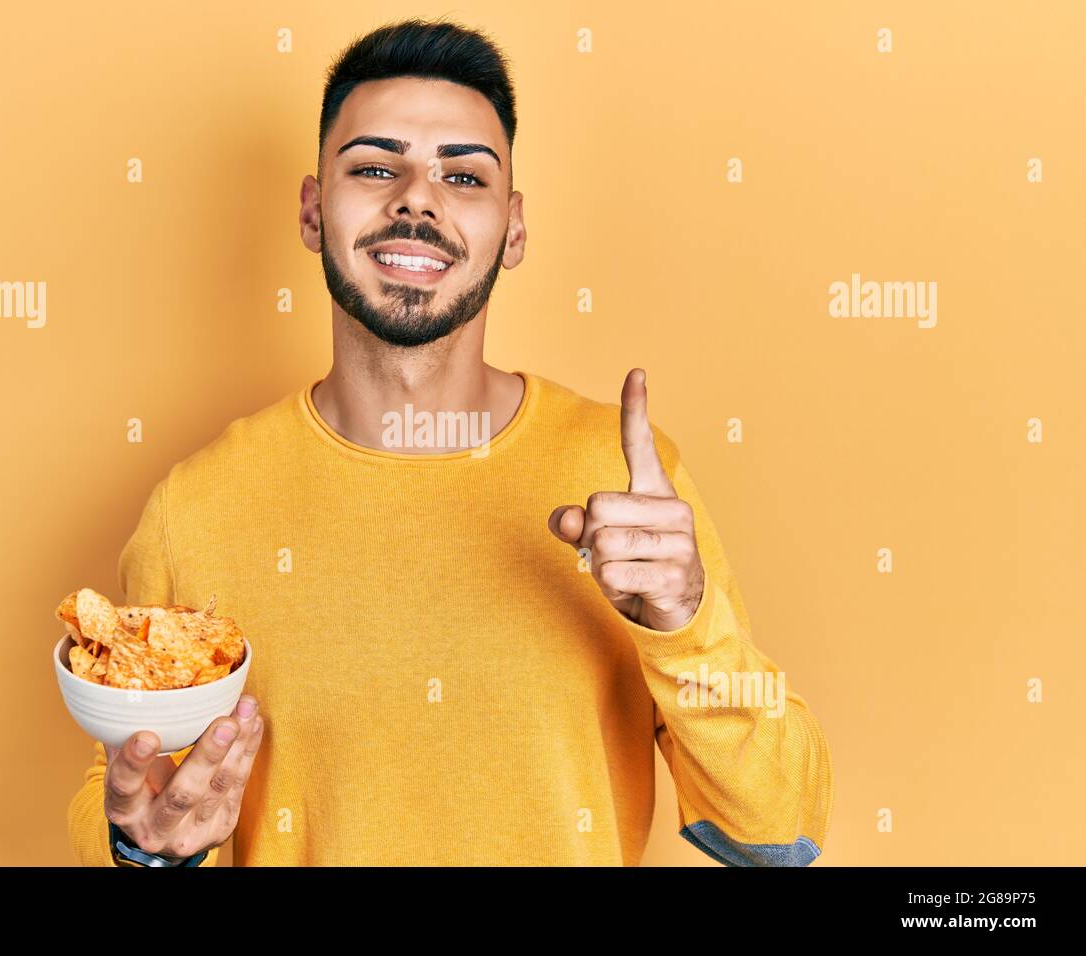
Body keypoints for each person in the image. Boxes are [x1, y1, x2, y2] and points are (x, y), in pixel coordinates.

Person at [67, 17, 833, 867]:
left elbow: (779, 831)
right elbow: (131, 792)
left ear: (512, 229)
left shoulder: (626, 486)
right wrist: (146, 852)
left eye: (462, 176)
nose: (417, 199)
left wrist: (687, 623)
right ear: (314, 211)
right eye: (373, 167)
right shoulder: (196, 510)